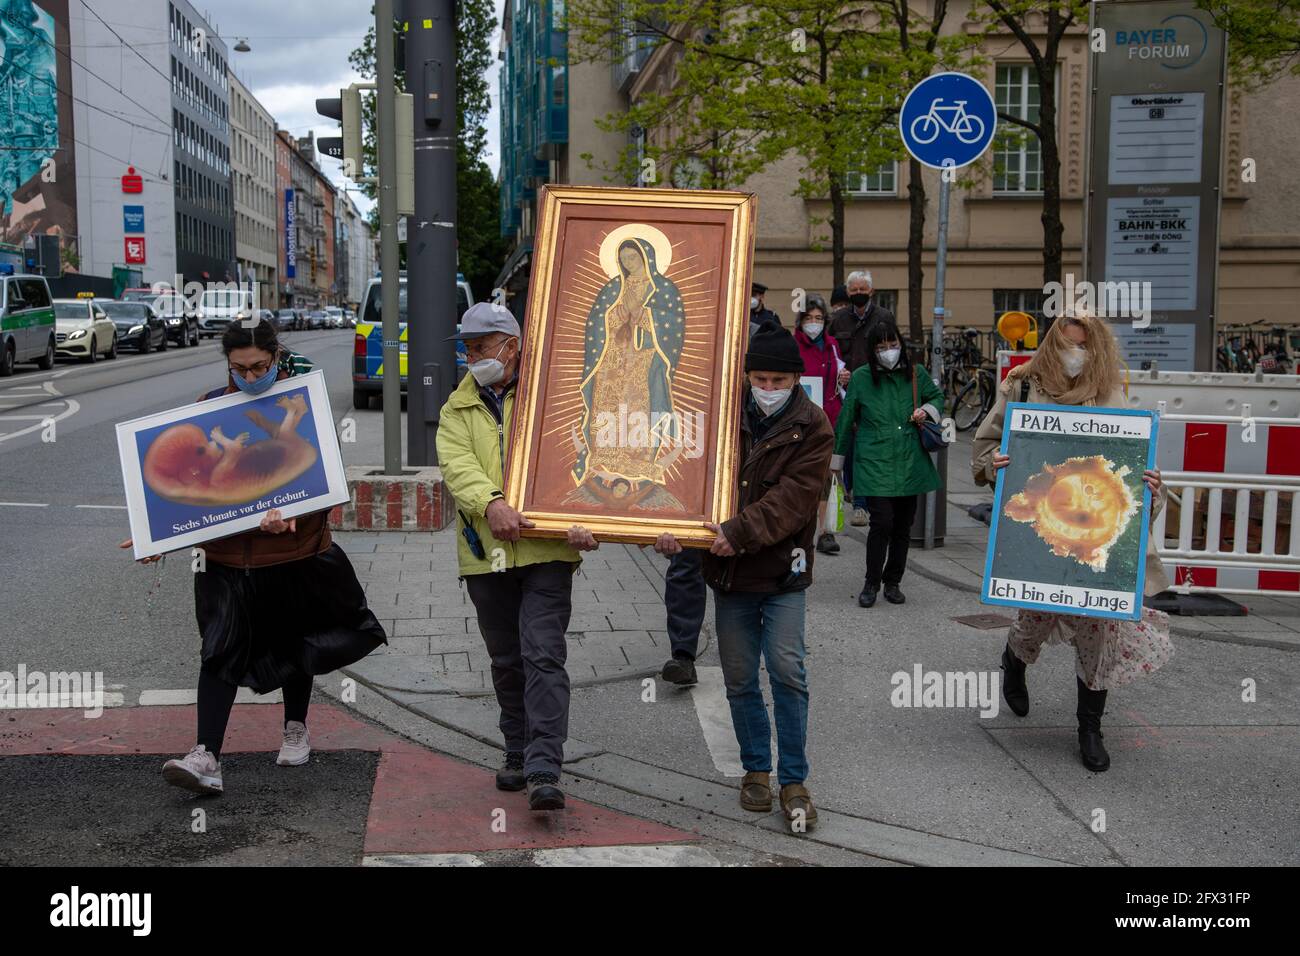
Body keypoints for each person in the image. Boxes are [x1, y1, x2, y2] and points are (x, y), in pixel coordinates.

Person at [120, 319, 387, 795]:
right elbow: (193, 491)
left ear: (275, 357)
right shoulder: (207, 410)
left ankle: (295, 728)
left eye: (259, 366)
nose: (248, 376)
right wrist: (154, 537)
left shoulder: (302, 405)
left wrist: (296, 519)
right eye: (238, 368)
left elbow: (322, 483)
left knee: (296, 640)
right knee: (217, 651)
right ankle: (206, 756)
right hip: (225, 561)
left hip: (294, 555)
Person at [971, 312, 1171, 772]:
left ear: (1095, 348)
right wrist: (997, 464)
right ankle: (1015, 659)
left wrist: (1152, 490)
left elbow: (1135, 472)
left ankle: (1089, 725)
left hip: (1099, 534)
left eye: (1081, 347)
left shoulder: (1112, 391)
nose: (1073, 356)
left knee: (1099, 631)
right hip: (1042, 529)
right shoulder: (1022, 384)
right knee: (1035, 619)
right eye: (1065, 345)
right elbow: (985, 450)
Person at [655, 323, 833, 833]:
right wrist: (674, 530)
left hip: (782, 573)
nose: (770, 388)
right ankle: (756, 769)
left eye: (780, 380)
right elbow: (687, 473)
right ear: (747, 375)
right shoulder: (718, 415)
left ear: (796, 379)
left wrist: (738, 530)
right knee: (738, 678)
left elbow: (795, 499)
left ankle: (795, 778)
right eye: (761, 378)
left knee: (787, 672)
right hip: (730, 574)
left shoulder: (814, 425)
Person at [436, 302, 599, 810]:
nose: (471, 355)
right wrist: (491, 502)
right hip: (487, 554)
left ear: (513, 345)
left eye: (480, 345)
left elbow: (584, 457)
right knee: (506, 659)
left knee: (543, 653)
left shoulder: (558, 397)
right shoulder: (456, 407)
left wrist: (587, 515)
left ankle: (545, 767)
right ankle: (515, 748)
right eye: (466, 346)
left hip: (548, 552)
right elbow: (456, 465)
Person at [833, 318, 943, 609]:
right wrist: (836, 461)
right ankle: (871, 582)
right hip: (874, 459)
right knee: (881, 523)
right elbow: (846, 419)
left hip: (910, 460)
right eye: (881, 346)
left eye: (893, 344)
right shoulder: (861, 377)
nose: (889, 350)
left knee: (903, 526)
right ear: (872, 350)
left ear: (901, 344)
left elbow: (938, 397)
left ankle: (893, 581)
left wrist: (926, 410)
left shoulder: (916, 373)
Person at [793, 293, 849, 555]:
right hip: (801, 419)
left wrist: (844, 378)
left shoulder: (832, 345)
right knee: (801, 473)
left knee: (828, 474)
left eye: (818, 318)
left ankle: (826, 531)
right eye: (808, 318)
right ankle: (798, 526)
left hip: (829, 416)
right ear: (800, 320)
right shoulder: (793, 344)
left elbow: (838, 375)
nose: (813, 323)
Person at [829, 269, 895, 372]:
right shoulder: (836, 319)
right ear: (847, 292)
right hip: (846, 382)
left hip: (875, 379)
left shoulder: (884, 317)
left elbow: (892, 350)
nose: (858, 292)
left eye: (862, 289)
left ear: (871, 291)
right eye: (854, 290)